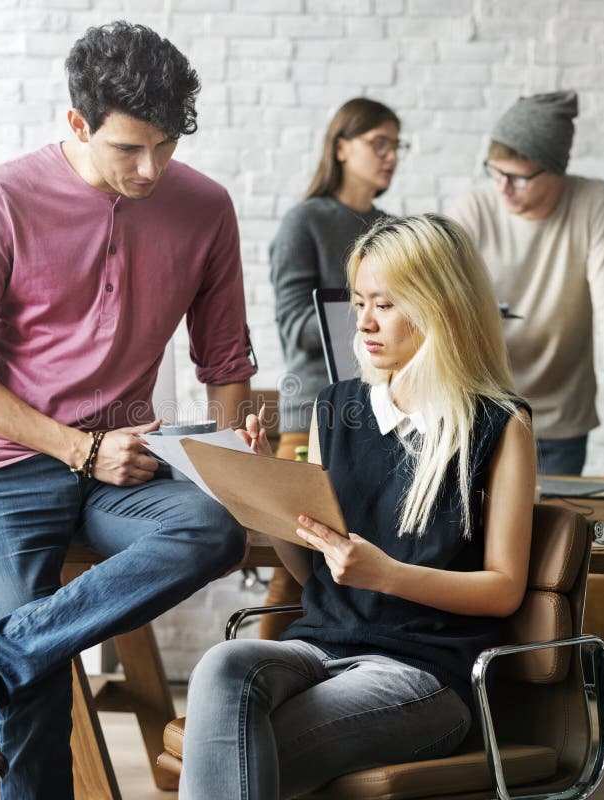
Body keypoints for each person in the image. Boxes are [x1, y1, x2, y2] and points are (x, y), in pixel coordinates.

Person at [0, 22, 254, 799]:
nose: (151, 168)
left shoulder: (206, 208)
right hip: (0, 472)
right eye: (129, 148)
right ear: (77, 125)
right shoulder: (4, 197)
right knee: (42, 677)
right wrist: (80, 450)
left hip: (127, 473)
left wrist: (232, 452)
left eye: (165, 145)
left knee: (212, 530)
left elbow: (224, 360)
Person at [179, 214, 536, 799]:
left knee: (249, 745)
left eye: (386, 305)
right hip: (320, 645)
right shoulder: (335, 408)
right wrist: (263, 487)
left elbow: (503, 589)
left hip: (424, 674)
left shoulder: (500, 425)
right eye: (360, 302)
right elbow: (313, 572)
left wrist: (388, 576)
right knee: (223, 667)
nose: (363, 323)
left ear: (439, 307)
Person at [263, 98, 405, 638]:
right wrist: (376, 315)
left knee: (363, 557)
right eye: (379, 143)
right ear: (341, 147)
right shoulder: (307, 220)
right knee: (295, 566)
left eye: (397, 145)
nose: (391, 156)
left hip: (385, 415)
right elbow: (295, 324)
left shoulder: (393, 227)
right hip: (311, 419)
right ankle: (265, 679)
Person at [450, 90, 604, 477]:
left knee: (556, 534)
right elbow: (439, 304)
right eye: (495, 172)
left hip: (563, 421)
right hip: (486, 412)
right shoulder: (474, 209)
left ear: (554, 169)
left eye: (517, 176)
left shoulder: (595, 202)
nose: (503, 187)